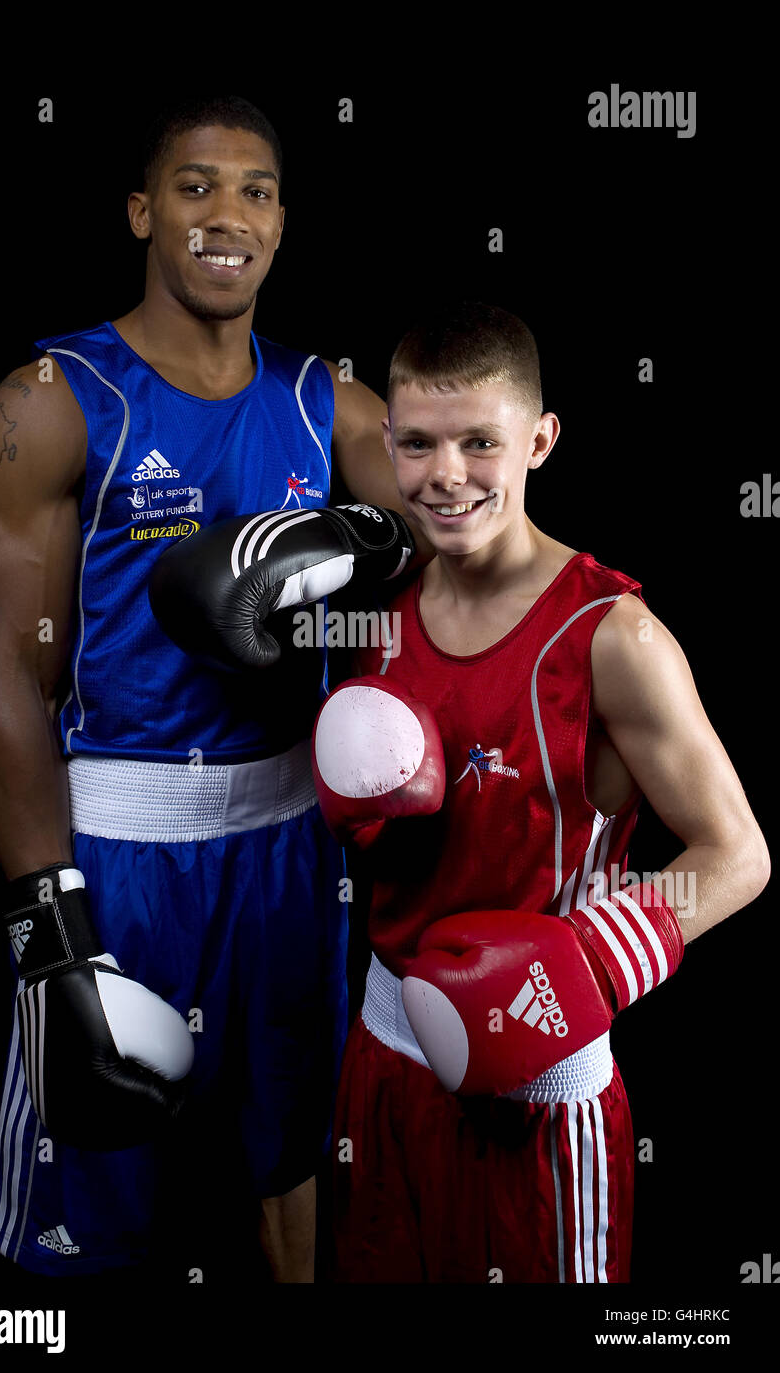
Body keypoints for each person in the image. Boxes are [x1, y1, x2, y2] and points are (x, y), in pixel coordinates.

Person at [0, 94, 415, 1283]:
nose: (228, 214)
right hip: (122, 854)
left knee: (294, 1164)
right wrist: (51, 933)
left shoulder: (332, 404)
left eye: (255, 190)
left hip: (285, 855)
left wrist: (360, 538)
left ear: (281, 224)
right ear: (140, 212)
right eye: (196, 186)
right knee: (83, 1207)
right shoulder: (55, 401)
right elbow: (9, 676)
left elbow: (461, 533)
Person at [309, 301, 771, 1283]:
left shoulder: (610, 635)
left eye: (480, 442)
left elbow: (735, 856)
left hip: (535, 1100)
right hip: (383, 1068)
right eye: (421, 444)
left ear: (539, 439)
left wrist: (583, 965)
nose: (446, 474)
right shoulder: (379, 613)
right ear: (387, 442)